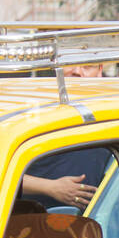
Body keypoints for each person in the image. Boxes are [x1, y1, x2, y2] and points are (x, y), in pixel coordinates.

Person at [21, 64, 109, 208]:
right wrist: (50, 187)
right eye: (70, 64)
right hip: (29, 221)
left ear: (100, 70)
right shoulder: (32, 110)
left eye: (88, 66)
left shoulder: (112, 109)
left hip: (95, 222)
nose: (77, 72)